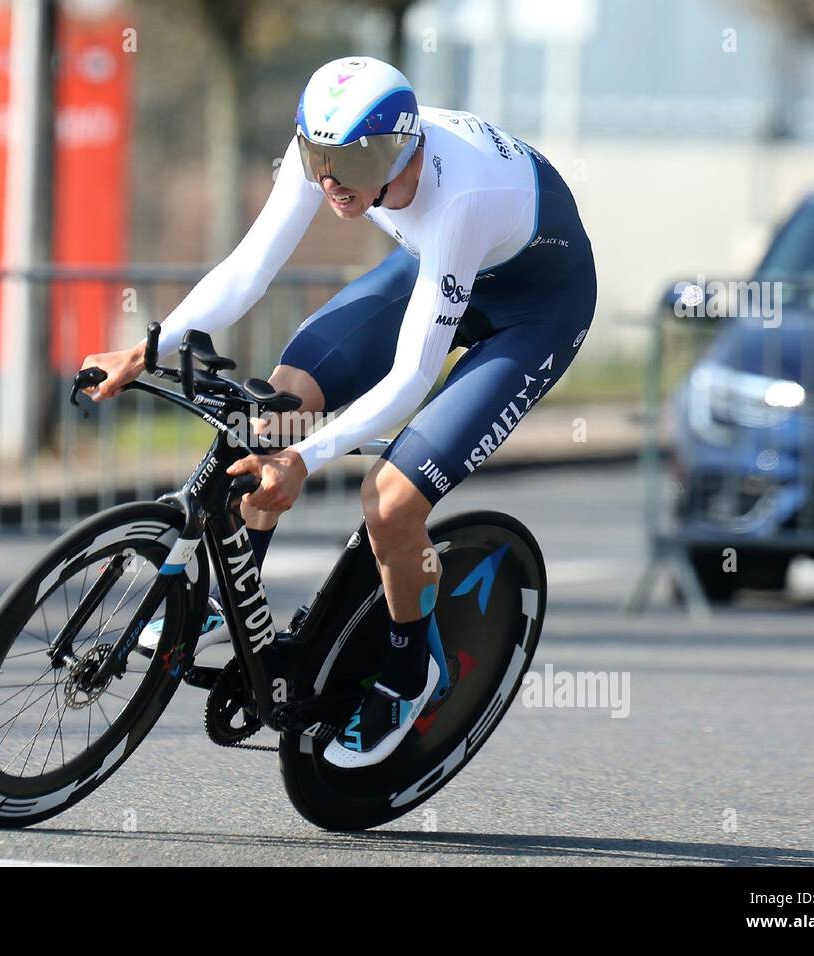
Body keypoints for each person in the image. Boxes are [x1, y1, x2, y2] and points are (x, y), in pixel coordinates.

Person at [82, 56, 596, 768]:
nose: (332, 180)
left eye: (355, 161)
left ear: (401, 147)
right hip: (438, 271)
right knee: (278, 406)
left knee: (389, 499)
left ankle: (409, 676)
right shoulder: (328, 156)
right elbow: (248, 267)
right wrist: (144, 349)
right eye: (319, 157)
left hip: (533, 312)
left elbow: (415, 375)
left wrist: (305, 459)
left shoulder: (461, 193)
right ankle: (229, 601)